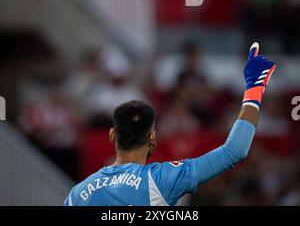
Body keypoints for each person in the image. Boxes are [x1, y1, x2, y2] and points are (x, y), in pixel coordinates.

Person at [64, 42, 276, 206]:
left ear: (112, 135)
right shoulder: (163, 180)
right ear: (153, 138)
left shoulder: (77, 194)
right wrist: (255, 87)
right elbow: (235, 150)